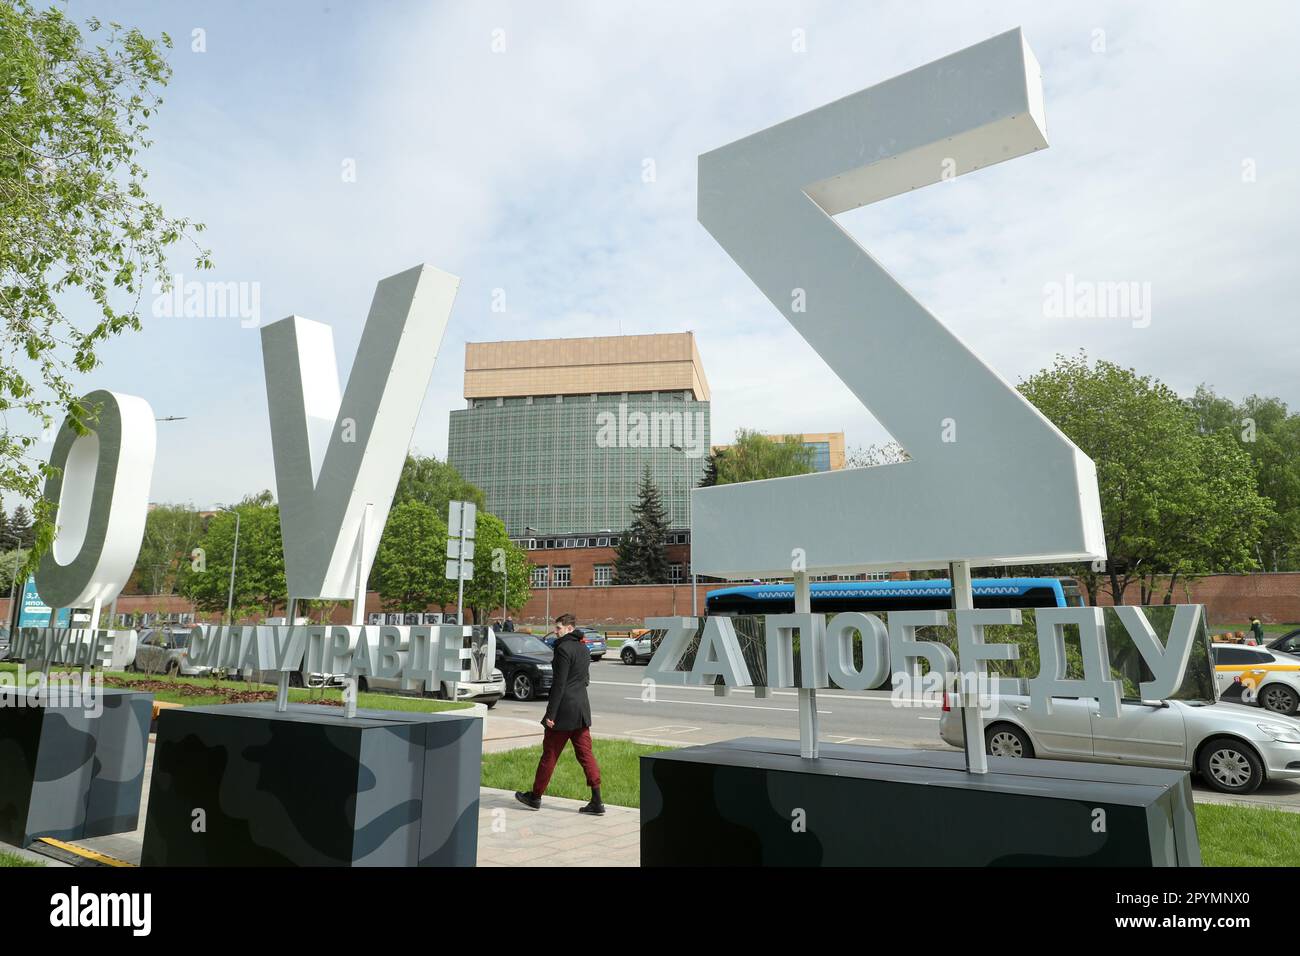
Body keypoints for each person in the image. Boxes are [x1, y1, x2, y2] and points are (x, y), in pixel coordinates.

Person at [515, 613, 604, 815]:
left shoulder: (563, 648)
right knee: (586, 755)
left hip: (563, 712)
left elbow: (559, 684)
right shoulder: (583, 647)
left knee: (550, 755)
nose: (555, 632)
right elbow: (586, 680)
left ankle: (535, 797)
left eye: (558, 628)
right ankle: (597, 801)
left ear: (569, 628)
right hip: (581, 710)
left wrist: (550, 714)